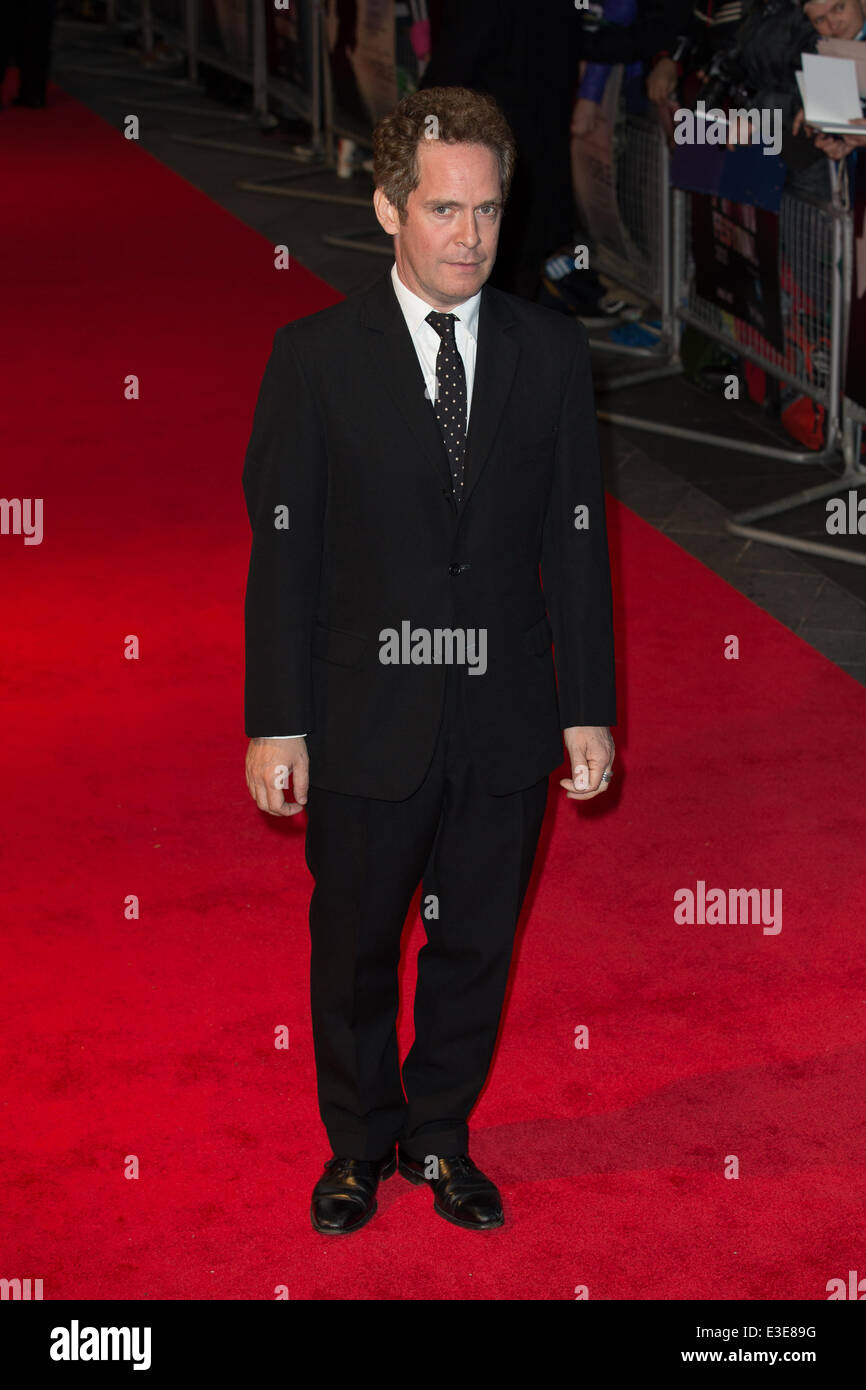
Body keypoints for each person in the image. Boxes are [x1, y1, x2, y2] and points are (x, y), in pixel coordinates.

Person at [242, 85, 617, 1236]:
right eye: (444, 211)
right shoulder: (311, 359)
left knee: (475, 943)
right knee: (353, 943)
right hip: (365, 714)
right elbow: (282, 558)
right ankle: (357, 1142)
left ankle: (441, 1135)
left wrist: (586, 706)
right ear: (387, 208)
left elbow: (575, 539)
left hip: (504, 712)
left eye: (489, 213)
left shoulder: (549, 352)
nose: (470, 239)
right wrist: (277, 719)